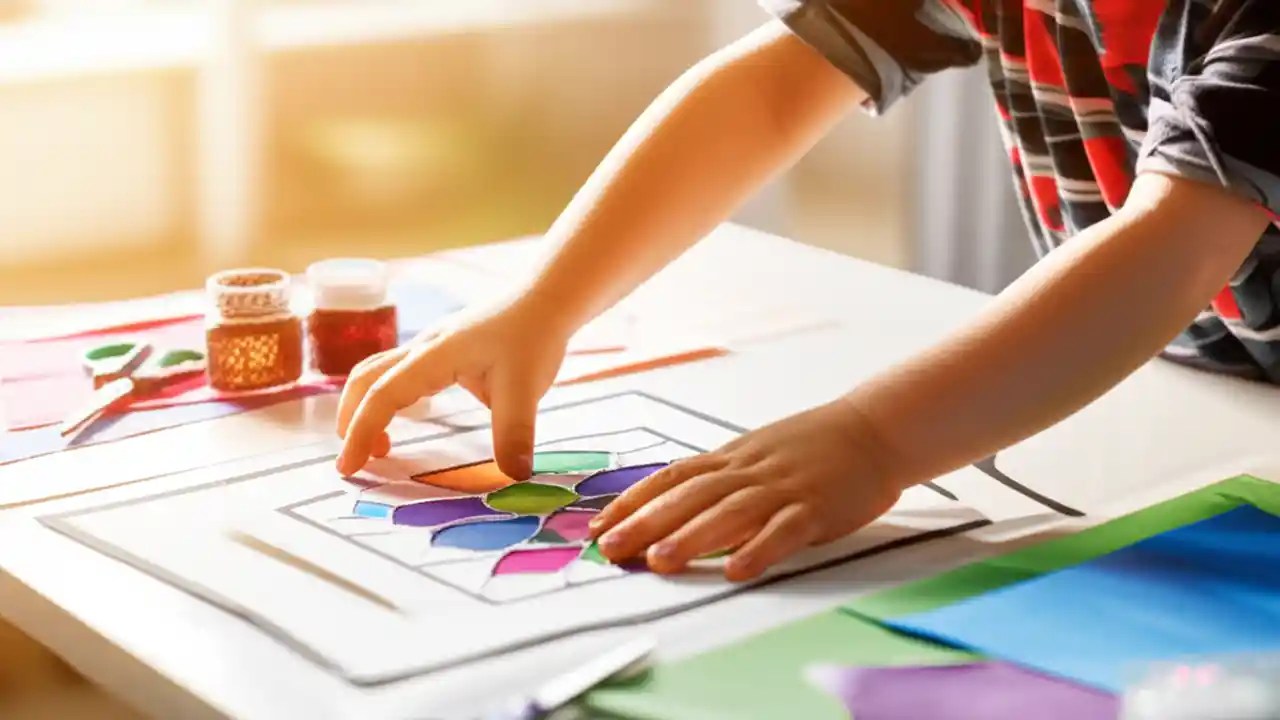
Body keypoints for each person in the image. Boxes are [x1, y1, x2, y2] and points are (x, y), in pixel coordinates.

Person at [335, 0, 1279, 581]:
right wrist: (543, 299)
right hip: (1191, 397)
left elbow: (1177, 241)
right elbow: (774, 89)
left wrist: (877, 438)